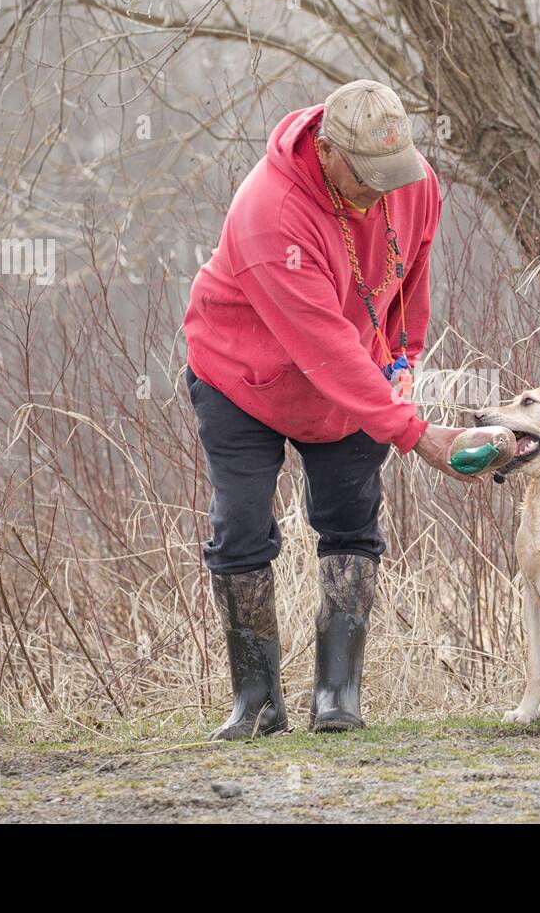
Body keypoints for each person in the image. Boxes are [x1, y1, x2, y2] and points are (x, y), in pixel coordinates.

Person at [183, 80, 471, 739]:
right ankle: (256, 701)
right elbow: (327, 350)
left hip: (351, 377)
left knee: (349, 521)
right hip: (243, 378)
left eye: (392, 176)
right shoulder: (271, 214)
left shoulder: (411, 182)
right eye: (368, 178)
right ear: (328, 149)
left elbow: (411, 278)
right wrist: (417, 434)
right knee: (242, 526)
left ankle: (337, 695)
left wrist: (403, 362)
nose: (383, 191)